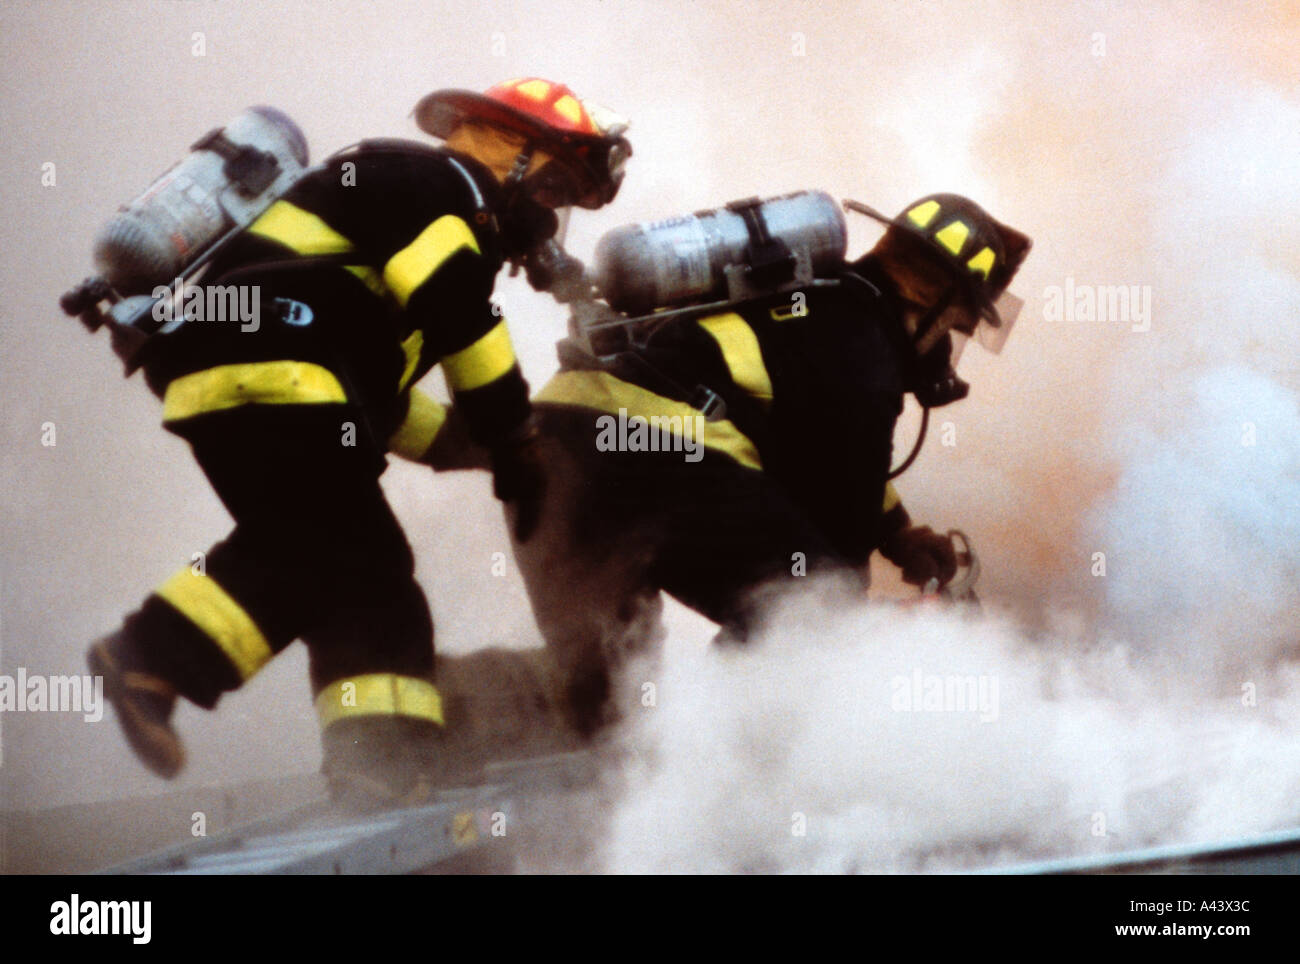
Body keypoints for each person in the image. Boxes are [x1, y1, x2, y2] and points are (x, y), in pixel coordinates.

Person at [86, 77, 632, 808]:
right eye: (554, 188)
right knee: (314, 548)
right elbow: (459, 315)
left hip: (264, 374)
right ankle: (149, 657)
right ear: (512, 158)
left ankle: (380, 761)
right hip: (273, 359)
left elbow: (385, 404)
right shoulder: (435, 183)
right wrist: (515, 437)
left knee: (369, 579)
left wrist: (471, 449)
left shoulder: (398, 218)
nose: (549, 217)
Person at [432, 192, 1031, 736]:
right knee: (813, 596)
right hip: (652, 449)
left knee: (604, 694)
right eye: (954, 327)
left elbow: (824, 461)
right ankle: (720, 752)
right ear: (930, 294)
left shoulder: (810, 303)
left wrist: (898, 534)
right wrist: (879, 621)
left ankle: (430, 712)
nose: (943, 350)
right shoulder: (864, 350)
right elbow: (838, 525)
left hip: (554, 448)